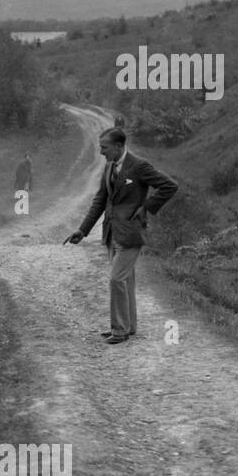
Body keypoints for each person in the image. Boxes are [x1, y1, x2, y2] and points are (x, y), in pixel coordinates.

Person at [64, 128, 178, 344]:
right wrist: (83, 229)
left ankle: (119, 331)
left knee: (116, 279)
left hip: (130, 235)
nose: (101, 152)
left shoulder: (139, 166)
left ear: (118, 146)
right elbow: (100, 200)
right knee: (125, 281)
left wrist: (146, 207)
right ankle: (129, 326)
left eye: (104, 148)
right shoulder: (109, 167)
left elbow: (169, 186)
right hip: (111, 233)